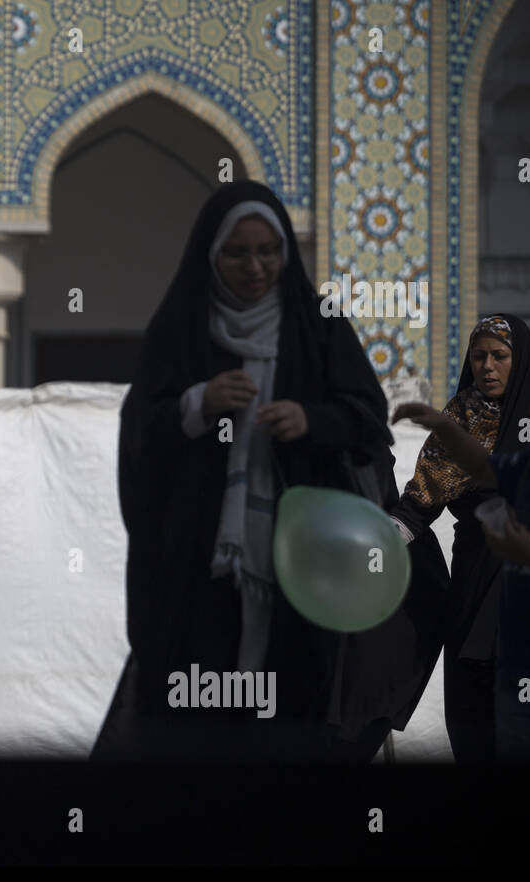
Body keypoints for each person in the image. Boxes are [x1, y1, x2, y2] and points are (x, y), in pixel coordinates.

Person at [93, 179, 412, 763]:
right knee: (199, 709)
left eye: (268, 251)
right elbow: (141, 433)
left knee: (294, 706)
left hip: (303, 569)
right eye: (237, 253)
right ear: (211, 256)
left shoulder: (317, 324)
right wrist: (197, 404)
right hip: (202, 563)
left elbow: (368, 420)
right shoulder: (182, 326)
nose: (255, 267)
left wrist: (310, 420)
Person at [393, 347, 530, 762]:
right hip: (512, 644)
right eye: (479, 356)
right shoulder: (529, 467)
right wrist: (444, 423)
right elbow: (483, 468)